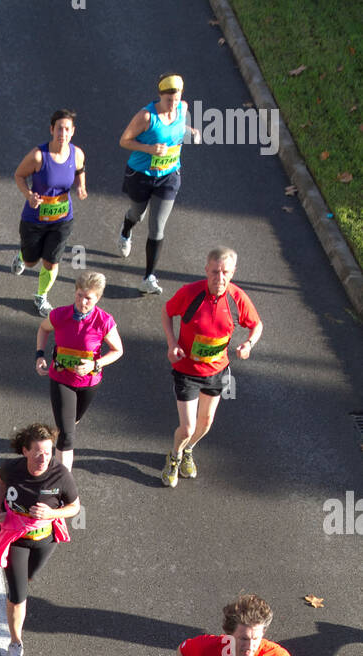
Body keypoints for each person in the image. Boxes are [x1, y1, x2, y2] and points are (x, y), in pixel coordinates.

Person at [160, 247, 262, 487]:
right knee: (187, 427)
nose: (220, 278)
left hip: (216, 371)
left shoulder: (237, 298)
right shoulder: (190, 293)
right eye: (215, 272)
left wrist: (248, 344)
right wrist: (172, 343)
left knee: (205, 424)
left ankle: (188, 452)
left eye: (225, 272)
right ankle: (174, 456)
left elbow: (256, 325)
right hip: (187, 370)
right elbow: (167, 312)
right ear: (206, 270)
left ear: (233, 272)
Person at [0, 424, 81, 656]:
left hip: (45, 540)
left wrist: (53, 512)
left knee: (30, 575)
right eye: (38, 453)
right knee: (18, 595)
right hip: (16, 538)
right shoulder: (13, 469)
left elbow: (74, 507)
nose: (44, 459)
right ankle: (15, 644)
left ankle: (23, 580)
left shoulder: (60, 474)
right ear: (25, 451)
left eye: (49, 453)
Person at [117, 74, 200, 294]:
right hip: (141, 174)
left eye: (176, 98)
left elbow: (178, 128)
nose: (172, 104)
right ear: (160, 96)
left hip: (169, 175)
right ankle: (126, 230)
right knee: (138, 214)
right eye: (168, 99)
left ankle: (148, 277)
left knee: (157, 226)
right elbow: (124, 140)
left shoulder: (183, 108)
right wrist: (149, 149)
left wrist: (191, 132)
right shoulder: (146, 116)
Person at [35, 271, 123, 470]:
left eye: (88, 298)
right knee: (67, 437)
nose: (82, 302)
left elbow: (118, 350)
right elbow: (43, 328)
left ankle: (63, 432)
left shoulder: (104, 321)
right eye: (79, 295)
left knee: (72, 422)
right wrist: (39, 355)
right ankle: (62, 480)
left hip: (89, 384)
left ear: (98, 298)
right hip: (61, 379)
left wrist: (95, 364)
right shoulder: (60, 315)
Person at [11, 109, 87, 317]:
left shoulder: (76, 154)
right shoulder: (38, 156)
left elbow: (80, 170)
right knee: (31, 262)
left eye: (67, 129)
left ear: (72, 132)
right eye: (59, 128)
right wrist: (29, 195)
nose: (63, 133)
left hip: (62, 219)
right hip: (34, 219)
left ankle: (41, 296)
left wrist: (81, 186)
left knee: (51, 261)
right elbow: (19, 175)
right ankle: (21, 256)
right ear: (52, 130)